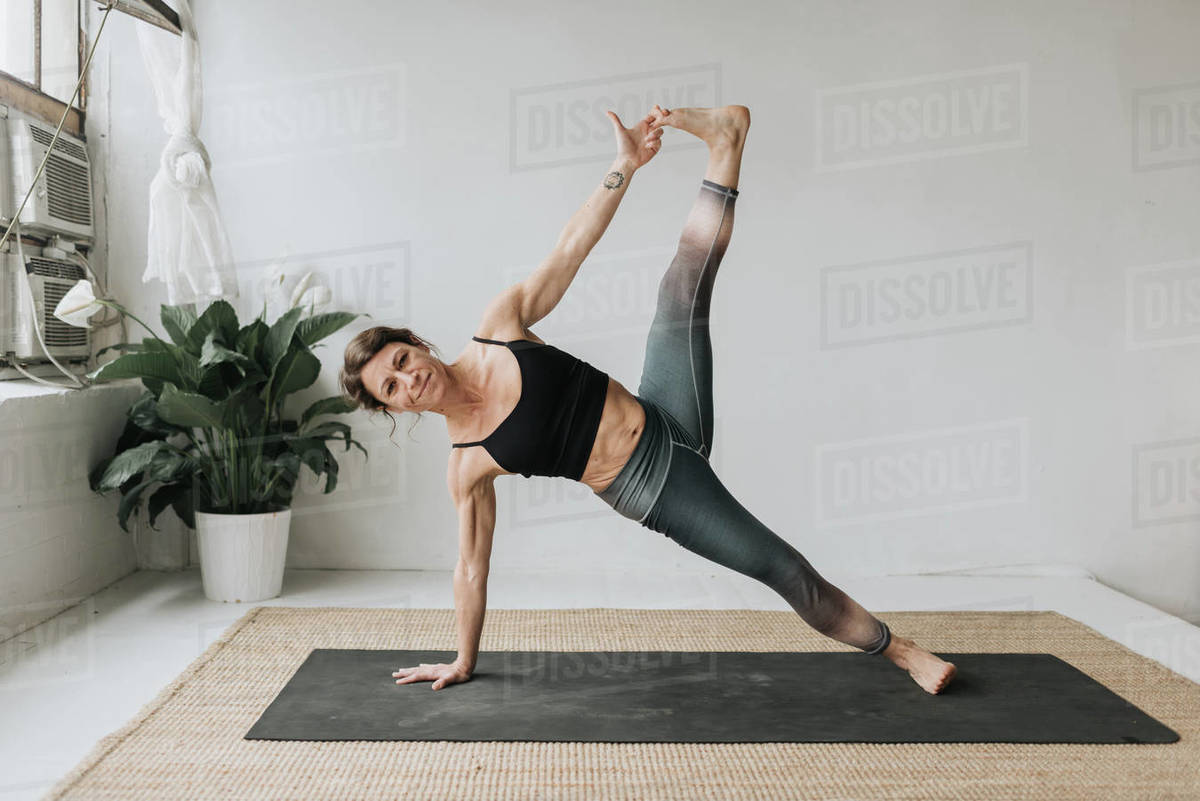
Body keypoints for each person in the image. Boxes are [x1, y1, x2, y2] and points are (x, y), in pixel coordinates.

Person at [340, 105, 957, 695]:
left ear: (416, 345)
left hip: (665, 411)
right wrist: (462, 659)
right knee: (783, 568)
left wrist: (626, 165)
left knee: (679, 288)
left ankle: (725, 142)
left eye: (401, 361)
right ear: (395, 410)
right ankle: (904, 654)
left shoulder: (500, 326)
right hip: (656, 488)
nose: (407, 379)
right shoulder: (468, 462)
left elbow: (569, 248)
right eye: (390, 388)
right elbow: (470, 570)